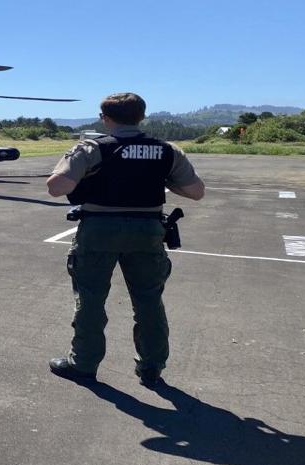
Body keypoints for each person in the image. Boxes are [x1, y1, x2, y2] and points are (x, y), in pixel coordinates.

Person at [45, 93, 206, 387]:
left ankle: (83, 364)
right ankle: (151, 367)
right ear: (141, 117)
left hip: (99, 231)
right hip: (147, 232)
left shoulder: (92, 148)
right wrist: (161, 179)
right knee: (149, 300)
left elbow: (57, 188)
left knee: (91, 299)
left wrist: (84, 174)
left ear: (105, 118)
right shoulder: (167, 151)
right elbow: (196, 191)